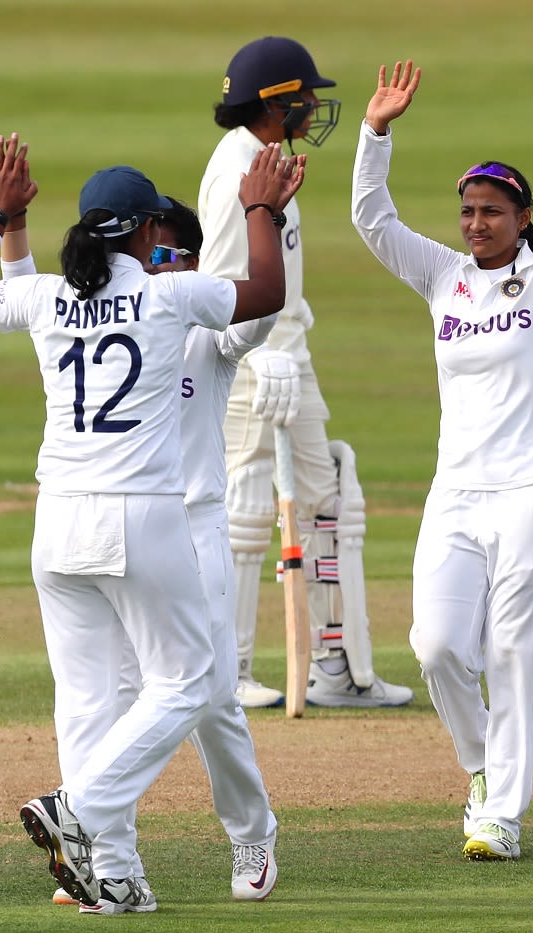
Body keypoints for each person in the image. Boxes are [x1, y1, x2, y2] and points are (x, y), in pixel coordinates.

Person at [0, 134, 290, 910]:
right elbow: (266, 290)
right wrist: (263, 208)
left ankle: (116, 875)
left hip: (57, 523)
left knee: (89, 699)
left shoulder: (46, 298)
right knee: (194, 678)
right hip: (141, 516)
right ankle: (82, 811)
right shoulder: (167, 296)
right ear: (143, 232)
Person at [351, 59, 533, 860]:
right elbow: (373, 221)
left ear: (520, 218)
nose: (474, 223)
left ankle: (501, 815)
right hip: (459, 491)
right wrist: (376, 131)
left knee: (515, 653)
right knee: (438, 645)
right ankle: (482, 766)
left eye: (491, 211)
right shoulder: (443, 278)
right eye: (468, 211)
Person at [200, 35, 414, 710]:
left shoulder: (269, 158)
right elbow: (219, 282)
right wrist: (254, 353)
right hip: (253, 363)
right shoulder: (238, 166)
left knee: (327, 499)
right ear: (275, 102)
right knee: (242, 510)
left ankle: (336, 665)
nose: (314, 106)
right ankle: (227, 671)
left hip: (293, 353)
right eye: (306, 96)